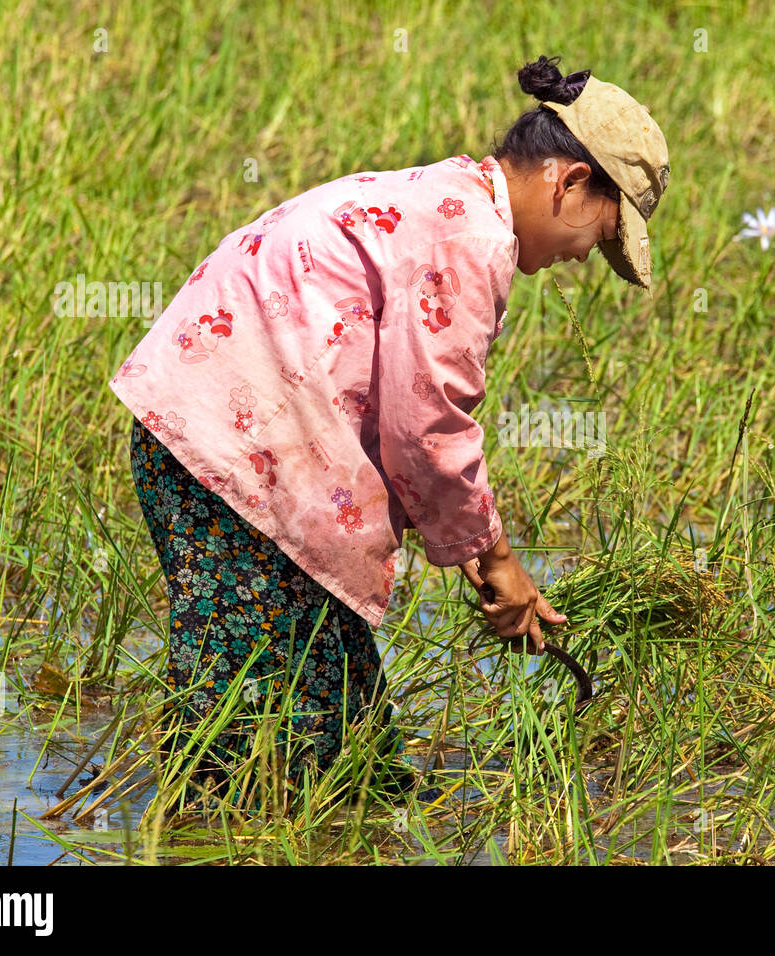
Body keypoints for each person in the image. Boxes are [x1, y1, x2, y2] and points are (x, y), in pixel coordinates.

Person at [110, 53, 670, 798]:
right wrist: (496, 556)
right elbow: (427, 427)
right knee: (251, 714)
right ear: (566, 183)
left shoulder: (445, 199)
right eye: (598, 237)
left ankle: (301, 821)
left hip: (220, 439)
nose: (580, 258)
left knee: (343, 734)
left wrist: (462, 542)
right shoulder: (472, 238)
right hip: (226, 456)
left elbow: (384, 398)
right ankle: (199, 830)